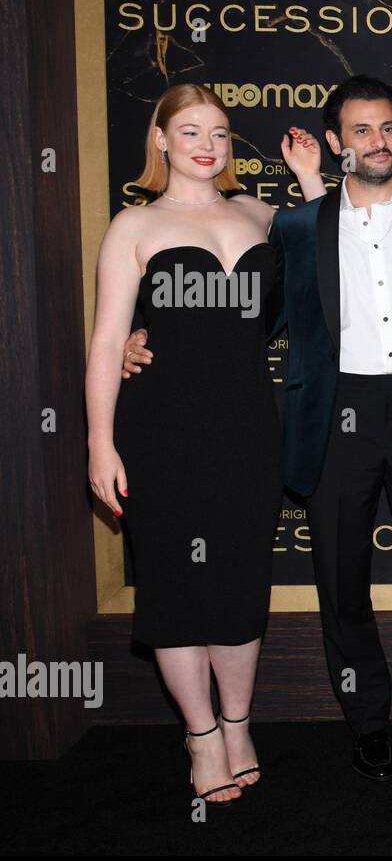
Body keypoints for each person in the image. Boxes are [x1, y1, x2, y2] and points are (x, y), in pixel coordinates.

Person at [122, 75, 392, 784]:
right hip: (334, 418)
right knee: (342, 584)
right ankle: (367, 723)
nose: (377, 141)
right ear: (336, 143)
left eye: (387, 128)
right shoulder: (297, 228)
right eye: (360, 130)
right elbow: (245, 318)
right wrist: (141, 331)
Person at [88, 83, 324, 806]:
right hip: (159, 430)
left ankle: (239, 722)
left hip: (248, 429)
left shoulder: (259, 215)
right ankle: (200, 735)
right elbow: (105, 343)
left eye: (219, 133)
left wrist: (313, 178)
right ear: (160, 139)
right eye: (189, 131)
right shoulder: (133, 225)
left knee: (237, 585)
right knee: (175, 588)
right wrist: (99, 442)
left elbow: (331, 251)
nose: (206, 145)